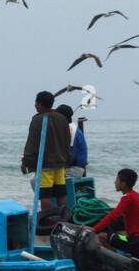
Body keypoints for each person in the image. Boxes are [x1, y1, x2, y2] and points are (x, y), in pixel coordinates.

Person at [21, 90, 73, 220]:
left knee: (45, 195)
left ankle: (47, 220)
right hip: (61, 163)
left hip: (45, 164)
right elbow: (67, 141)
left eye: (35, 103)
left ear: (39, 104)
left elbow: (32, 143)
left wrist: (25, 161)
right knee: (61, 193)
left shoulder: (38, 119)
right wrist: (67, 160)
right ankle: (63, 219)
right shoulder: (62, 119)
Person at [57, 105, 89, 179]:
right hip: (77, 168)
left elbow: (71, 156)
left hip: (74, 169)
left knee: (37, 181)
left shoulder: (70, 130)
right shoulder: (74, 128)